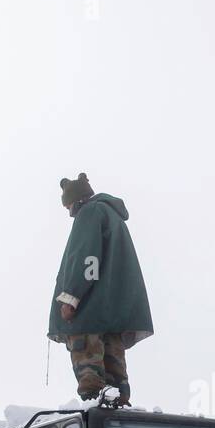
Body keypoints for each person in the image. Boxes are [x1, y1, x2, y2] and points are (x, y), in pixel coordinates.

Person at [48, 173, 154, 405]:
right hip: (112, 315)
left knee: (91, 377)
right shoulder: (112, 216)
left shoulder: (89, 213)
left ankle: (94, 410)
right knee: (115, 377)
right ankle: (117, 411)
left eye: (67, 205)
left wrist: (71, 297)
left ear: (76, 200)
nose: (69, 212)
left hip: (89, 313)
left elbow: (87, 258)